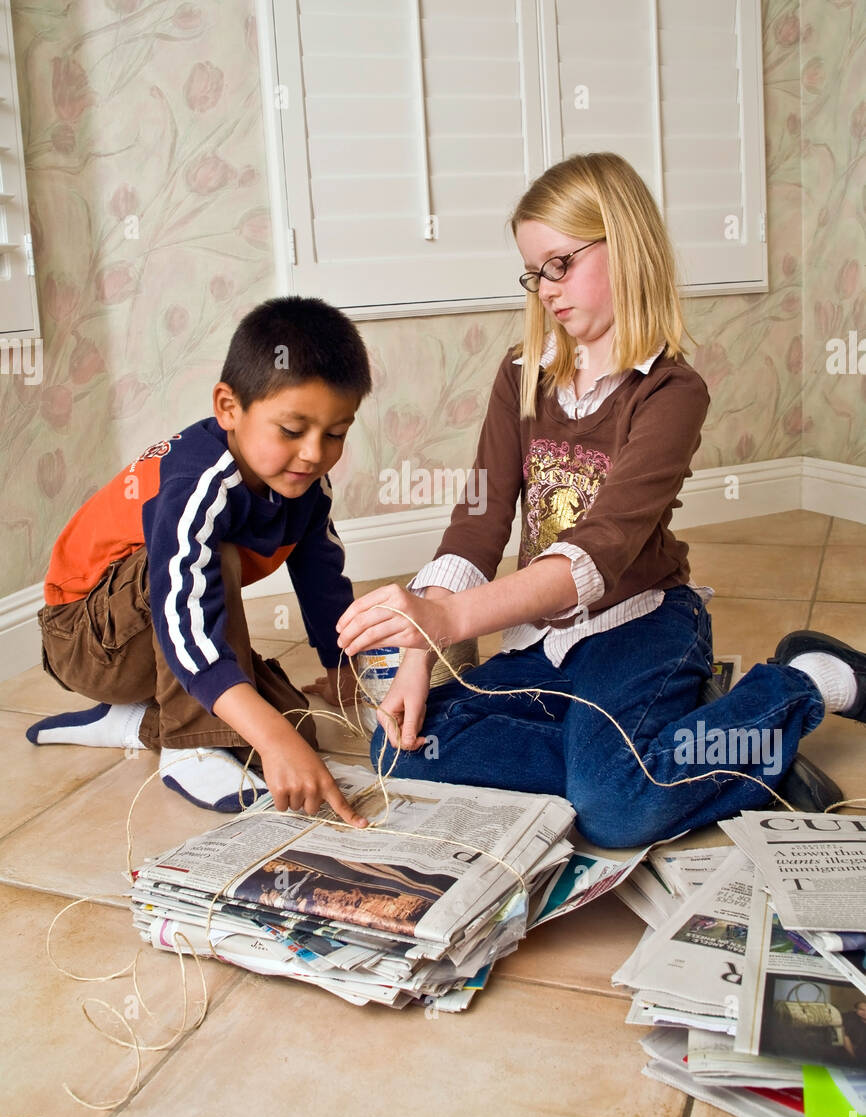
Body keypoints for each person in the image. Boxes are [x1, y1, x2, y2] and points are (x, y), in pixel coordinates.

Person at [336, 153, 866, 849]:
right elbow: (478, 521)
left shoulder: (672, 393)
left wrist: (449, 613)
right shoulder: (520, 376)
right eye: (533, 274)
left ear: (627, 246)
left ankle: (797, 686)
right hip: (542, 644)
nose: (546, 291)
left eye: (561, 265)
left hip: (642, 625)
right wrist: (417, 654)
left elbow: (600, 552)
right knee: (399, 750)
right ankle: (694, 747)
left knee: (615, 812)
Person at [27, 296, 371, 826]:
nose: (313, 453)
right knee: (253, 720)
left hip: (147, 632)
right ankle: (188, 748)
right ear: (228, 407)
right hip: (85, 637)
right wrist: (264, 734)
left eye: (335, 433)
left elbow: (321, 573)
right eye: (292, 430)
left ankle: (133, 722)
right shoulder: (197, 484)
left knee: (292, 729)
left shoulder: (305, 483)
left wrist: (341, 667)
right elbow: (182, 610)